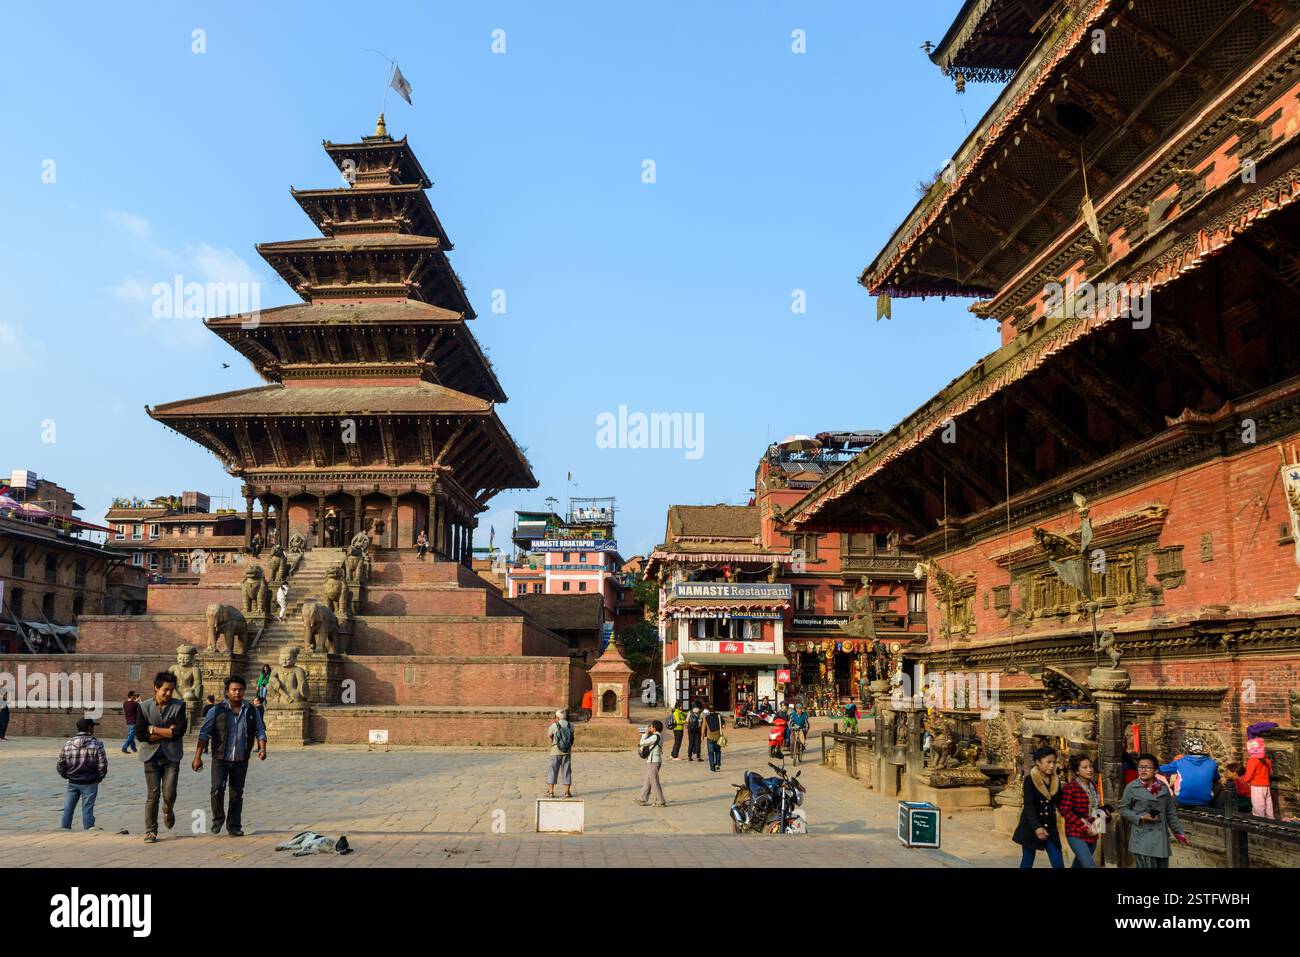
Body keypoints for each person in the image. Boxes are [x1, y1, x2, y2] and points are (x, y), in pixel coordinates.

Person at [193, 675, 267, 836]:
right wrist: (197, 757)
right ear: (227, 691)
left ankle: (234, 826)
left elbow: (260, 730)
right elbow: (204, 733)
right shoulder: (216, 710)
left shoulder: (251, 710)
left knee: (237, 792)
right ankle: (218, 819)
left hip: (241, 758)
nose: (237, 693)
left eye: (240, 690)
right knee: (217, 788)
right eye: (234, 689)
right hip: (220, 757)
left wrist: (262, 748)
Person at [136, 670, 188, 844]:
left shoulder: (179, 706)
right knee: (153, 794)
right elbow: (141, 735)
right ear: (156, 688)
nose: (168, 693)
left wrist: (154, 729)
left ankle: (168, 809)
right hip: (150, 755)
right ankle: (151, 831)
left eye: (171, 690)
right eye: (165, 690)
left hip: (171, 756)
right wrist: (167, 731)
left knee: (169, 792)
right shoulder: (144, 707)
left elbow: (179, 732)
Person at [1119, 752, 1188, 868]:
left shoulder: (1163, 787)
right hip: (1142, 838)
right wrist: (1140, 817)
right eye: (1140, 767)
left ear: (1156, 770)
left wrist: (1179, 832)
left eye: (1147, 767)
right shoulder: (1131, 787)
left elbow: (1170, 813)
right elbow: (1123, 809)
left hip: (1160, 839)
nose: (1143, 770)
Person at [1013, 745, 1065, 868]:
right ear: (1038, 762)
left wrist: (1074, 817)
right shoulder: (1030, 780)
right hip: (1031, 826)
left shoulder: (1055, 781)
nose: (1052, 766)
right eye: (1048, 762)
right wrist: (1037, 827)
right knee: (1028, 860)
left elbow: (1060, 803)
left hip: (1049, 827)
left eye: (1054, 762)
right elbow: (1029, 805)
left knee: (1057, 861)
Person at [57, 717, 107, 830]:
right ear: (90, 728)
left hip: (73, 781)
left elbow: (60, 764)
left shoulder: (68, 743)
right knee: (88, 807)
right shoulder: (97, 743)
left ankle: (65, 828)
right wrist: (99, 777)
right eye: (93, 726)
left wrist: (66, 775)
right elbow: (102, 764)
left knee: (68, 808)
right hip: (90, 781)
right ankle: (88, 828)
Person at [1058, 754, 1108, 868]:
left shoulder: (1093, 786)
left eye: (1090, 766)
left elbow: (1097, 808)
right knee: (1089, 865)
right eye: (1085, 767)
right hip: (1076, 832)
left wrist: (1097, 828)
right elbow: (1065, 810)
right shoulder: (1071, 787)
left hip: (1092, 832)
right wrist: (1084, 827)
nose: (1090, 770)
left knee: (1079, 865)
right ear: (1077, 771)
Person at [1159, 737, 1218, 807]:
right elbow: (1216, 778)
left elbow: (1161, 769)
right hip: (1205, 801)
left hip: (1182, 800)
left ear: (1187, 750)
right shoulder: (1212, 763)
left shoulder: (1180, 762)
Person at [634, 720, 667, 807]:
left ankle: (660, 800)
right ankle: (642, 799)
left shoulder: (655, 736)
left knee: (654, 781)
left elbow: (642, 743)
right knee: (648, 781)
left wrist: (644, 734)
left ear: (654, 728)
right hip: (653, 760)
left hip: (654, 761)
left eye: (651, 727)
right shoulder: (657, 735)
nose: (650, 728)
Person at [1240, 738, 1275, 819]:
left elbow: (1249, 776)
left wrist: (1243, 779)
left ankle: (1259, 824)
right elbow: (1270, 771)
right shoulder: (1266, 759)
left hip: (1257, 787)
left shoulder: (1252, 760)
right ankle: (1272, 823)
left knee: (1258, 808)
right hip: (1266, 786)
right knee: (1268, 806)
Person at [545, 708, 574, 798]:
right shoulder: (571, 725)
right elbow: (572, 737)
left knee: (553, 770)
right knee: (566, 771)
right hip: (567, 752)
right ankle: (567, 792)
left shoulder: (554, 725)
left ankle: (551, 792)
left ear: (557, 717)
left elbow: (550, 735)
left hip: (555, 751)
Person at [704, 706, 725, 772]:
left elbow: (703, 727)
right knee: (718, 751)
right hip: (718, 736)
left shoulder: (706, 717)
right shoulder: (718, 716)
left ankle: (712, 767)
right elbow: (723, 725)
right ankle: (717, 764)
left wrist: (702, 735)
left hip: (710, 737)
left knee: (711, 752)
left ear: (709, 710)